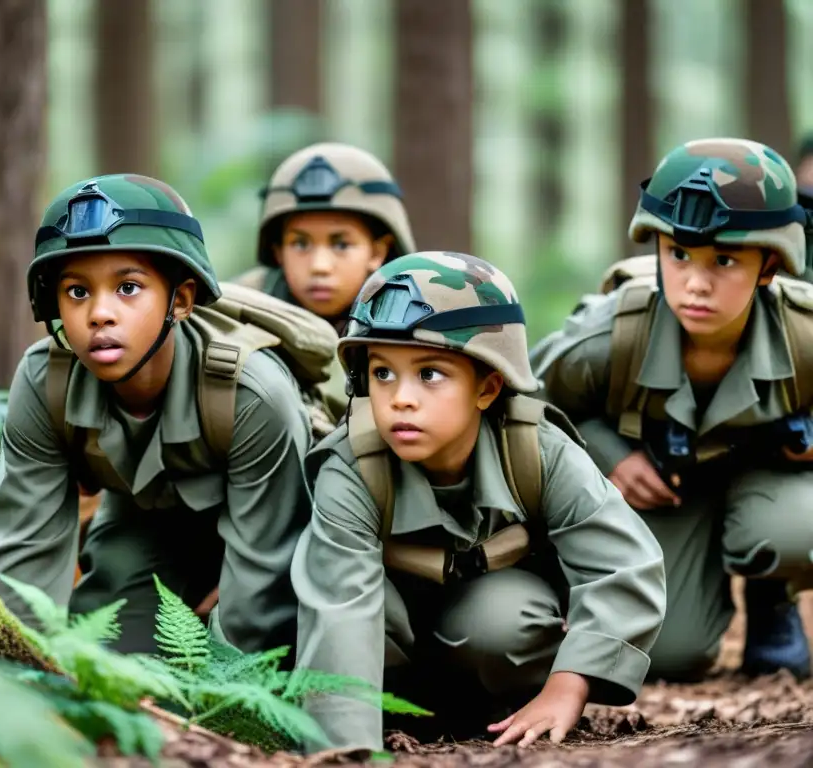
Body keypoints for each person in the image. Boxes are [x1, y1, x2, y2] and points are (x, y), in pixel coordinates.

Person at [291, 251, 666, 752]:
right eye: (382, 373)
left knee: (509, 617)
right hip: (385, 658)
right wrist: (343, 751)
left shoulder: (536, 450)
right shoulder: (352, 468)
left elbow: (626, 564)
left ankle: (489, 712)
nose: (400, 397)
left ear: (488, 386)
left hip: (491, 644)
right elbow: (340, 609)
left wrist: (568, 686)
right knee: (355, 611)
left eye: (429, 374)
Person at [0, 174, 317, 656]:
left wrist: (227, 697)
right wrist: (6, 678)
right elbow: (17, 557)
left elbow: (267, 585)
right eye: (76, 292)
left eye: (128, 288)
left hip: (268, 535)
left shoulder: (251, 394)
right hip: (145, 525)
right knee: (108, 654)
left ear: (180, 300)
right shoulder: (45, 381)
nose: (99, 313)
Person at [531, 138, 813, 682]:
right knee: (669, 657)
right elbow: (525, 411)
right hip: (664, 489)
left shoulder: (803, 335)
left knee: (798, 529)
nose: (695, 283)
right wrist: (609, 456)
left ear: (770, 265)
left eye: (724, 260)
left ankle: (770, 593)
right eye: (678, 254)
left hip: (767, 487)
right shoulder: (609, 339)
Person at [233, 143, 417, 422]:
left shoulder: (420, 316)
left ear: (377, 251)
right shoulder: (237, 314)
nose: (319, 266)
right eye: (300, 243)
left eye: (341, 244)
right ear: (278, 251)